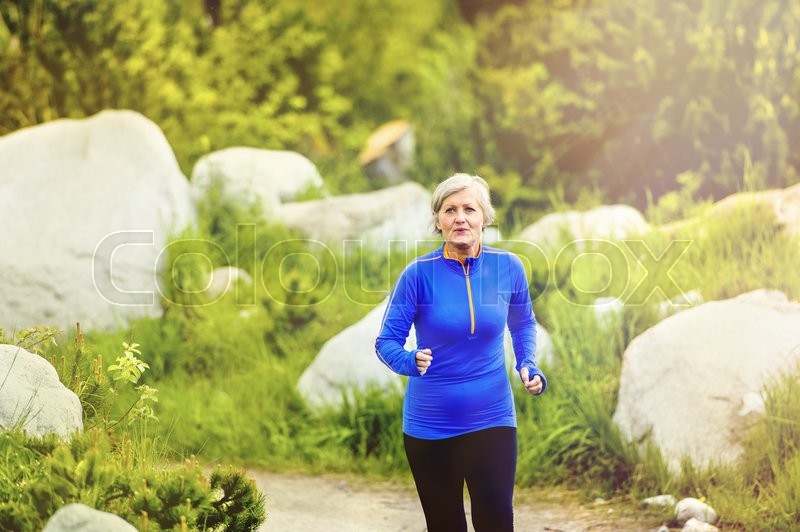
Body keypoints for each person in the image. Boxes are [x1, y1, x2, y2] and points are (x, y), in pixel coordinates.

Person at [374, 173, 547, 532]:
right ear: (438, 220)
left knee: (497, 521)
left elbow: (524, 323)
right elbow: (386, 341)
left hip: (493, 419)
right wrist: (409, 360)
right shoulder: (418, 275)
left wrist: (527, 363)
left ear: (485, 216)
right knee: (445, 525)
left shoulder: (508, 267)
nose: (460, 218)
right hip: (430, 427)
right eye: (450, 209)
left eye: (469, 208)